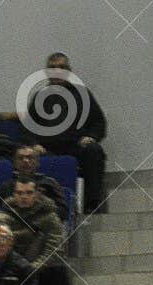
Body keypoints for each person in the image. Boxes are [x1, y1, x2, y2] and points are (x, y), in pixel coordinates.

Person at [25, 53, 109, 213]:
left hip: (77, 146)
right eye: (53, 67)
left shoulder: (82, 94)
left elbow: (99, 123)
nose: (57, 71)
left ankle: (91, 208)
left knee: (93, 151)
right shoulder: (39, 97)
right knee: (34, 158)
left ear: (69, 71)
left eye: (61, 67)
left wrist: (91, 137)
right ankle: (51, 209)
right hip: (48, 149)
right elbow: (27, 129)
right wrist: (34, 145)